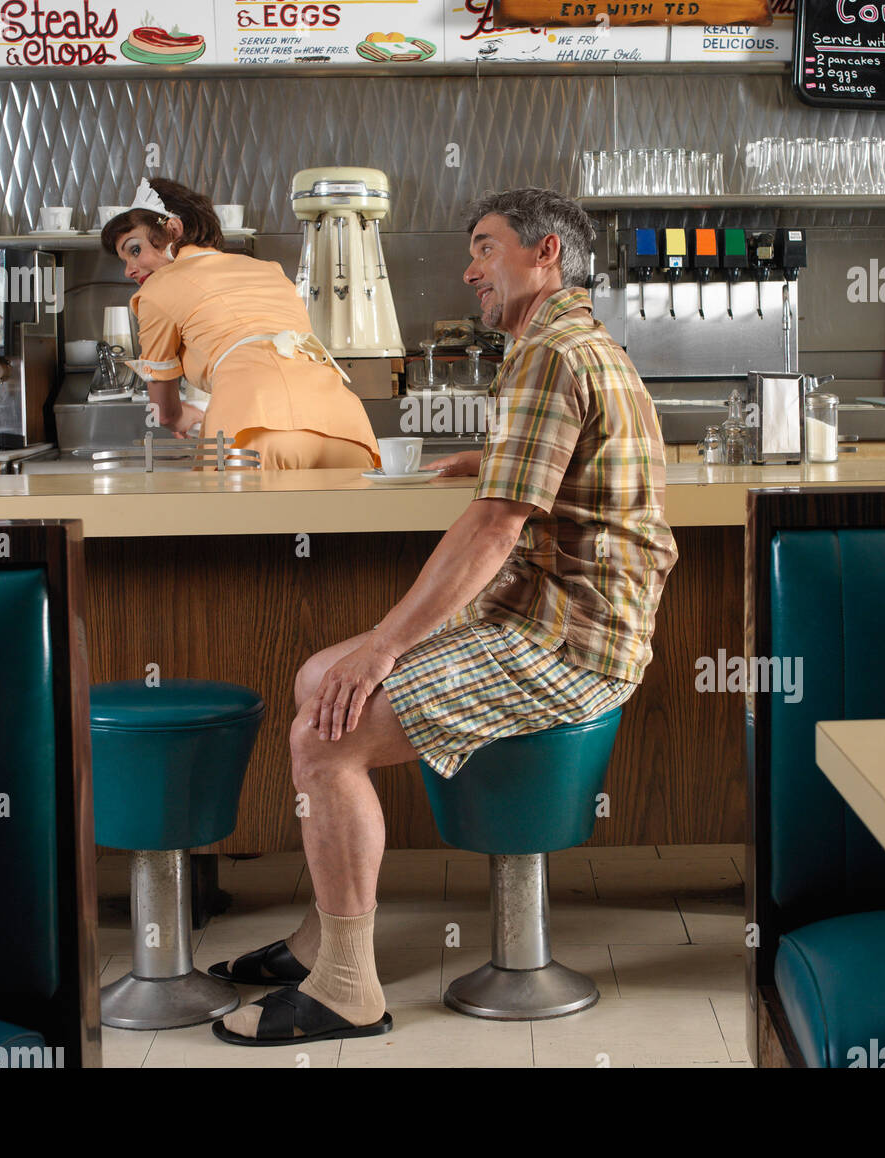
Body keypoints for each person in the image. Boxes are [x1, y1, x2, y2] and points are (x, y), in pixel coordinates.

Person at [210, 186, 678, 1046]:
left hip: (567, 641)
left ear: (546, 254)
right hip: (558, 616)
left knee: (324, 730)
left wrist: (385, 647)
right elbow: (555, 476)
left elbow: (497, 529)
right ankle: (323, 942)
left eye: (486, 248)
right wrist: (494, 459)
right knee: (319, 676)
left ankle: (349, 989)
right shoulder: (570, 340)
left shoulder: (550, 353)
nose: (469, 269)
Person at [102, 178, 380, 470]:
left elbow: (165, 413)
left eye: (134, 250)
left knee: (231, 517)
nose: (129, 270)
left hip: (256, 430)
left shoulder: (156, 291)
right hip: (345, 426)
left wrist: (187, 416)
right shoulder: (269, 270)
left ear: (173, 229)